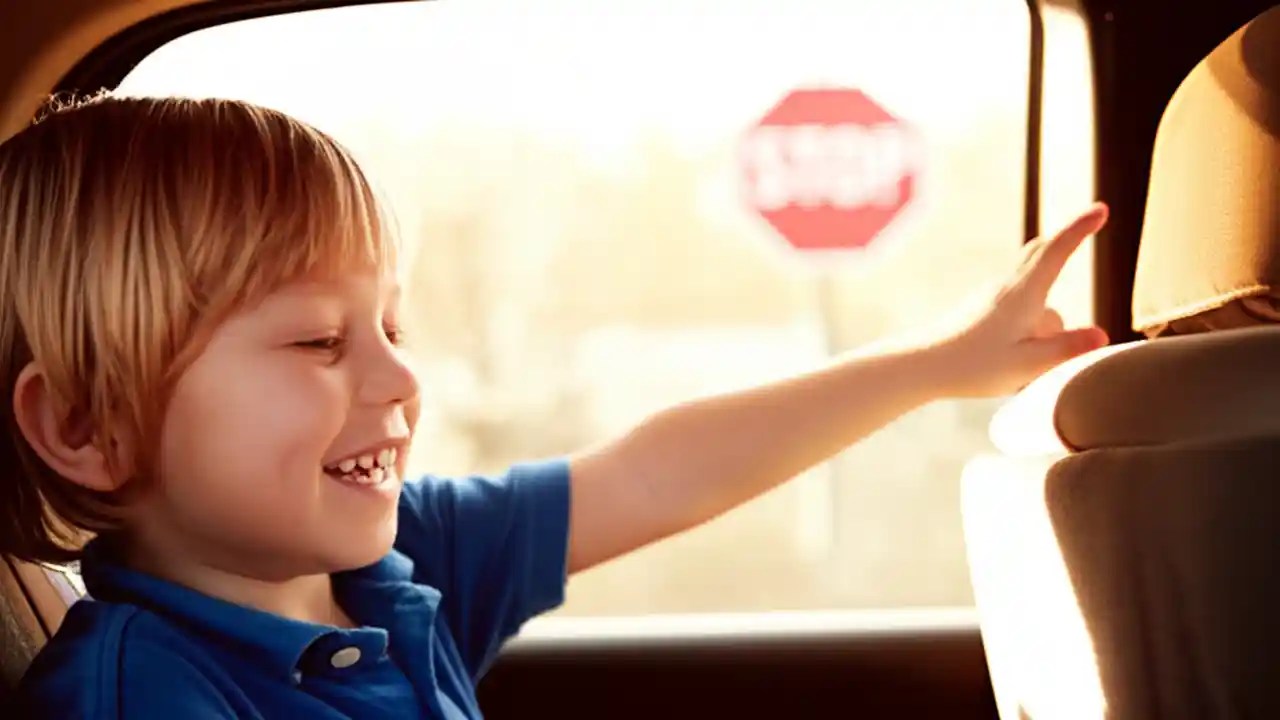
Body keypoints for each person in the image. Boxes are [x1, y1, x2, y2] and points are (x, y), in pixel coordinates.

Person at [1, 94, 1108, 719]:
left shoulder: (398, 566)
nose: (399, 380)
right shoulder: (136, 698)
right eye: (319, 342)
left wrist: (933, 366)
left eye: (393, 328)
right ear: (87, 427)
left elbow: (654, 473)